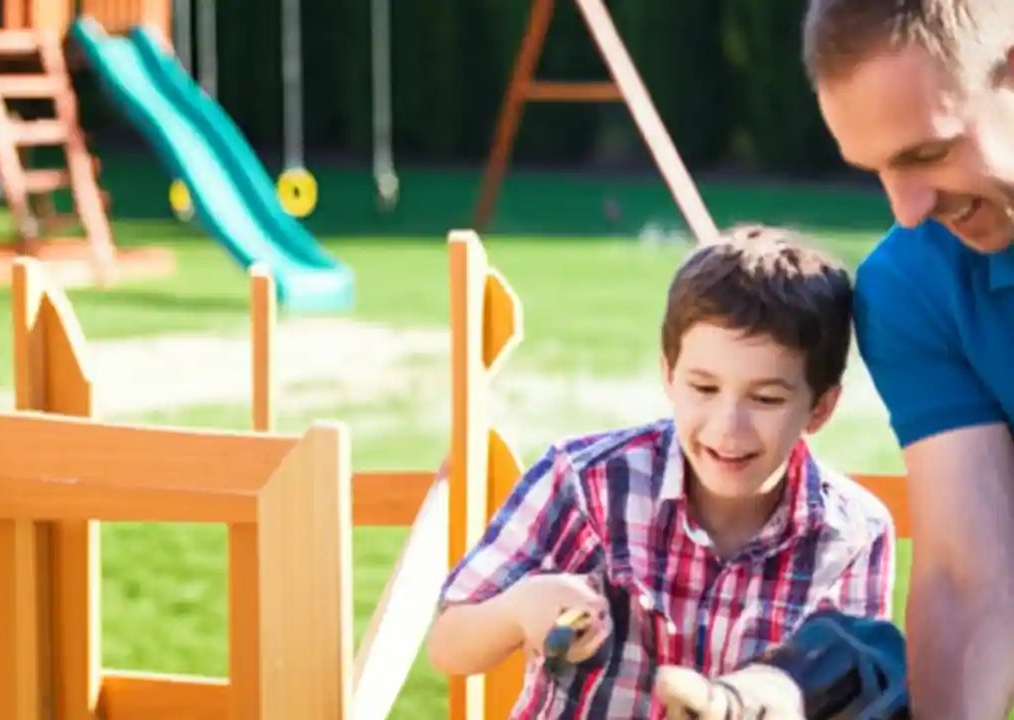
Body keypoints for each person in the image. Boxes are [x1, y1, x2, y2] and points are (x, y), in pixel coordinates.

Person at [656, 2, 1014, 718]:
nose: (907, 207)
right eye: (878, 169)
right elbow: (968, 580)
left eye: (928, 152)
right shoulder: (912, 285)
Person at [424, 225, 897, 718]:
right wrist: (521, 608)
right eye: (704, 388)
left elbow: (852, 696)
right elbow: (450, 646)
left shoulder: (854, 534)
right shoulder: (587, 483)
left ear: (820, 408)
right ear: (669, 375)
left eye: (766, 398)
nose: (727, 427)